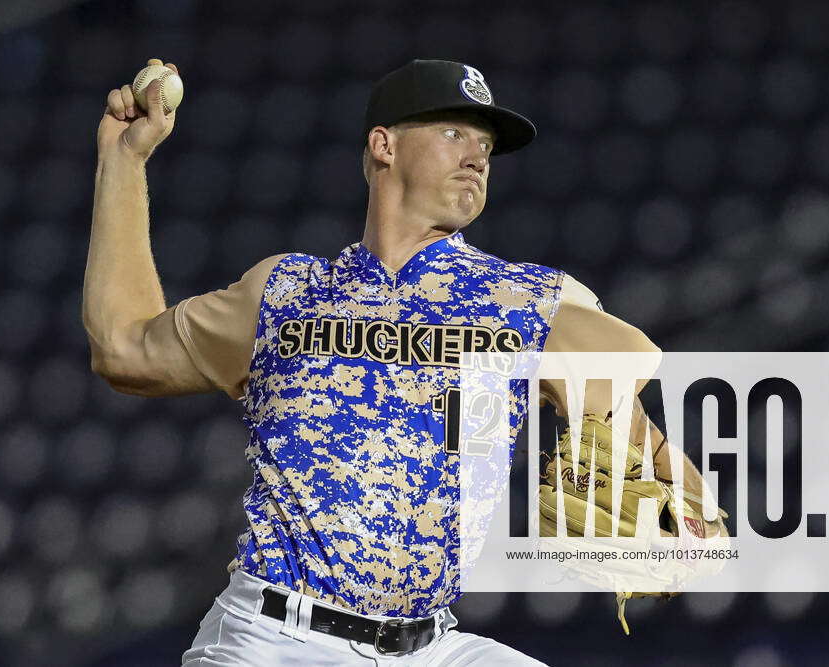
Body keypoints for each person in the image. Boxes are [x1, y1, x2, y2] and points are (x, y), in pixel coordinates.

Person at [84, 58, 710, 666]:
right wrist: (123, 159)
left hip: (430, 645)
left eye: (486, 145)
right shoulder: (284, 292)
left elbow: (642, 440)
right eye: (454, 133)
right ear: (384, 145)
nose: (477, 156)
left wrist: (694, 524)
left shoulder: (532, 304)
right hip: (273, 638)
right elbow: (124, 350)